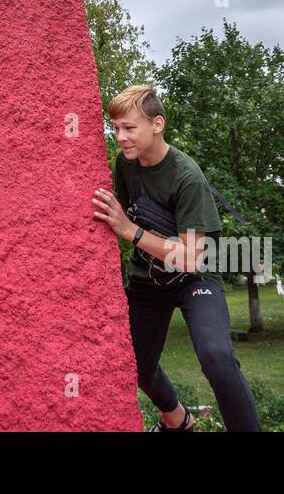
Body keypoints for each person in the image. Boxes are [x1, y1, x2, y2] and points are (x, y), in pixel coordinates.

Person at [91, 85, 261, 432]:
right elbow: (119, 213)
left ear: (157, 124)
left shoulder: (186, 176)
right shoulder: (126, 166)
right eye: (116, 128)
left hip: (194, 277)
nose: (120, 137)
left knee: (216, 357)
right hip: (148, 278)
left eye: (129, 128)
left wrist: (131, 231)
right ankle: (177, 419)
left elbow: (190, 258)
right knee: (134, 364)